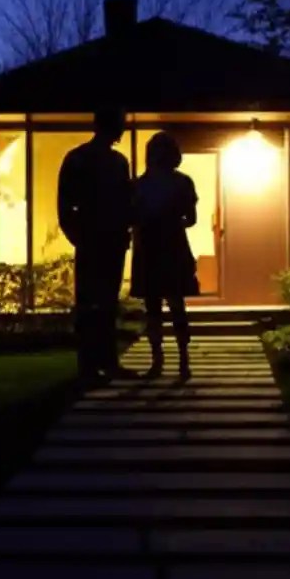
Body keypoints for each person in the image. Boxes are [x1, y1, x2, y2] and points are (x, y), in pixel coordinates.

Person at [57, 107, 138, 383]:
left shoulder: (118, 162)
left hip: (113, 240)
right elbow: (66, 205)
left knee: (106, 304)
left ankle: (108, 362)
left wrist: (127, 226)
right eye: (120, 124)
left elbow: (126, 202)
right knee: (91, 304)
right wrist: (78, 236)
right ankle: (89, 367)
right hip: (93, 240)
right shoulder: (79, 160)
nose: (123, 129)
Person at [131, 132, 198, 379]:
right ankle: (183, 362)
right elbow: (190, 219)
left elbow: (131, 217)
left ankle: (157, 362)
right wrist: (172, 220)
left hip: (148, 249)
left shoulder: (139, 185)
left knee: (153, 310)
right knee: (177, 306)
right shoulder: (183, 183)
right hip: (173, 247)